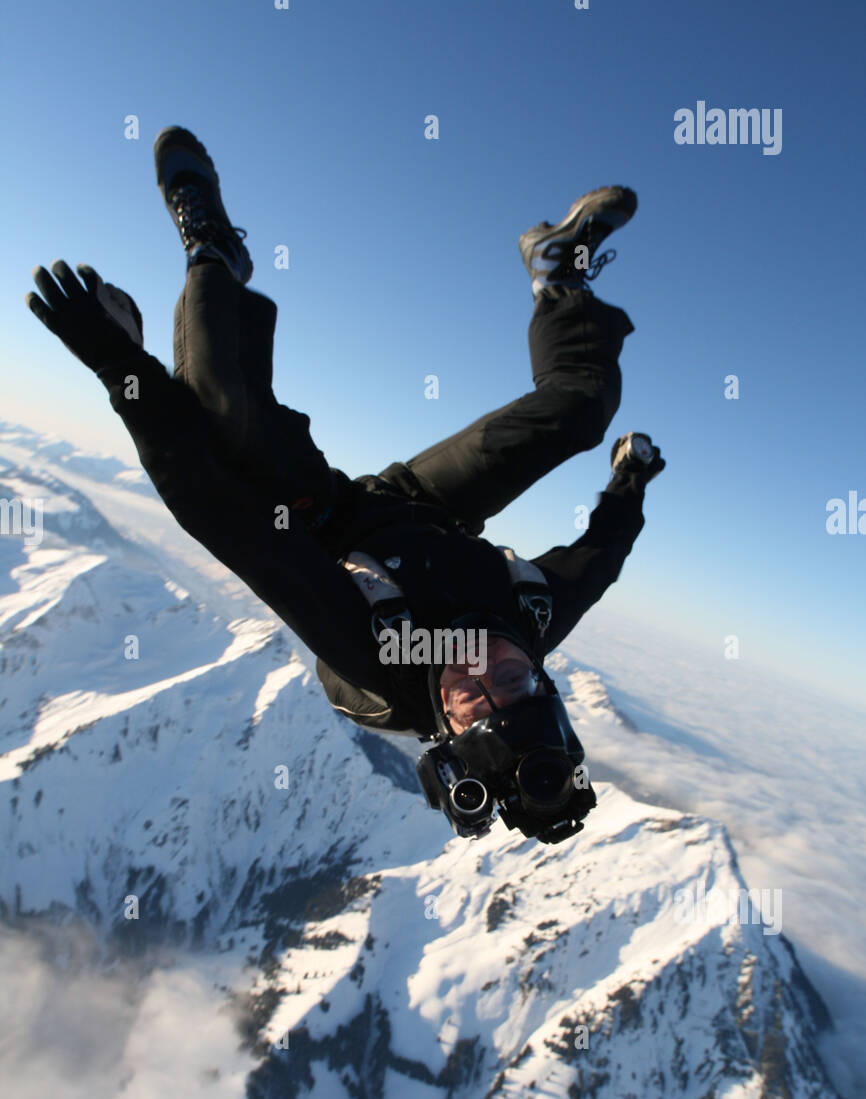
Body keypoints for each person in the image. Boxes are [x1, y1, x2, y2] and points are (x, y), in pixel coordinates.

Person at [25, 127, 665, 844]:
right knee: (579, 408)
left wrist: (120, 367)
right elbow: (600, 558)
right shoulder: (534, 616)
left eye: (470, 702)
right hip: (424, 508)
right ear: (542, 682)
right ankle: (559, 275)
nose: (483, 670)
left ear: (446, 726)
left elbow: (220, 517)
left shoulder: (377, 659)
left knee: (223, 411)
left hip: (316, 521)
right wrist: (628, 483)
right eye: (513, 685)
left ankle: (212, 252)